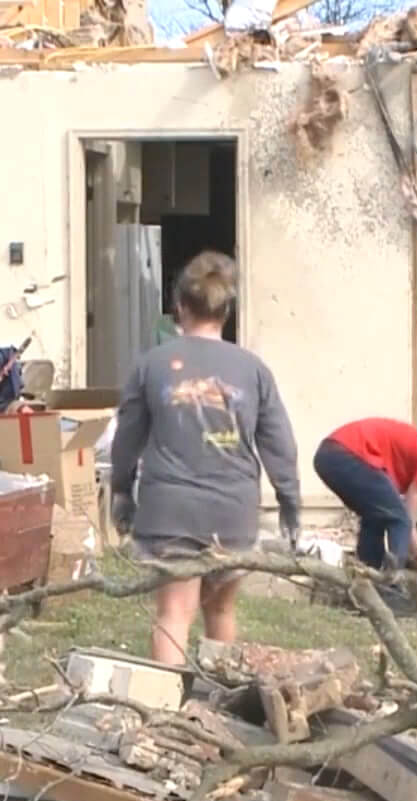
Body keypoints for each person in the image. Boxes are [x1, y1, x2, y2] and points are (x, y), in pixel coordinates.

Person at [110, 251, 301, 666]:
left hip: (171, 511)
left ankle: (165, 715)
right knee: (221, 610)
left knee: (174, 614)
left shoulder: (151, 365)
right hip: (233, 510)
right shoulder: (253, 370)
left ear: (179, 307)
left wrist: (122, 491)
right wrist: (290, 503)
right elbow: (280, 443)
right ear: (227, 311)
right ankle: (222, 704)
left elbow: (126, 439)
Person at [313, 417, 417, 602]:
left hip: (328, 456)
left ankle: (366, 586)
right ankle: (392, 590)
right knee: (399, 519)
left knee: (375, 520)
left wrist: (415, 552)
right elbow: (406, 518)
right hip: (348, 454)